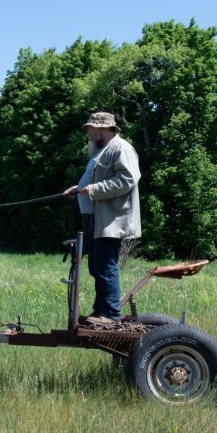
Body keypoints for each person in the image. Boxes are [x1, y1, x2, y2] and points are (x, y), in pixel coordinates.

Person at [63, 112, 141, 325]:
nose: (89, 133)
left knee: (106, 265)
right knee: (96, 265)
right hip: (97, 218)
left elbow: (127, 179)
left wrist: (94, 189)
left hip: (112, 219)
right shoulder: (102, 151)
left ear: (104, 129)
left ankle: (110, 314)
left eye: (91, 129)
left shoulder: (121, 148)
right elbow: (96, 181)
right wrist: (79, 189)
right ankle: (100, 313)